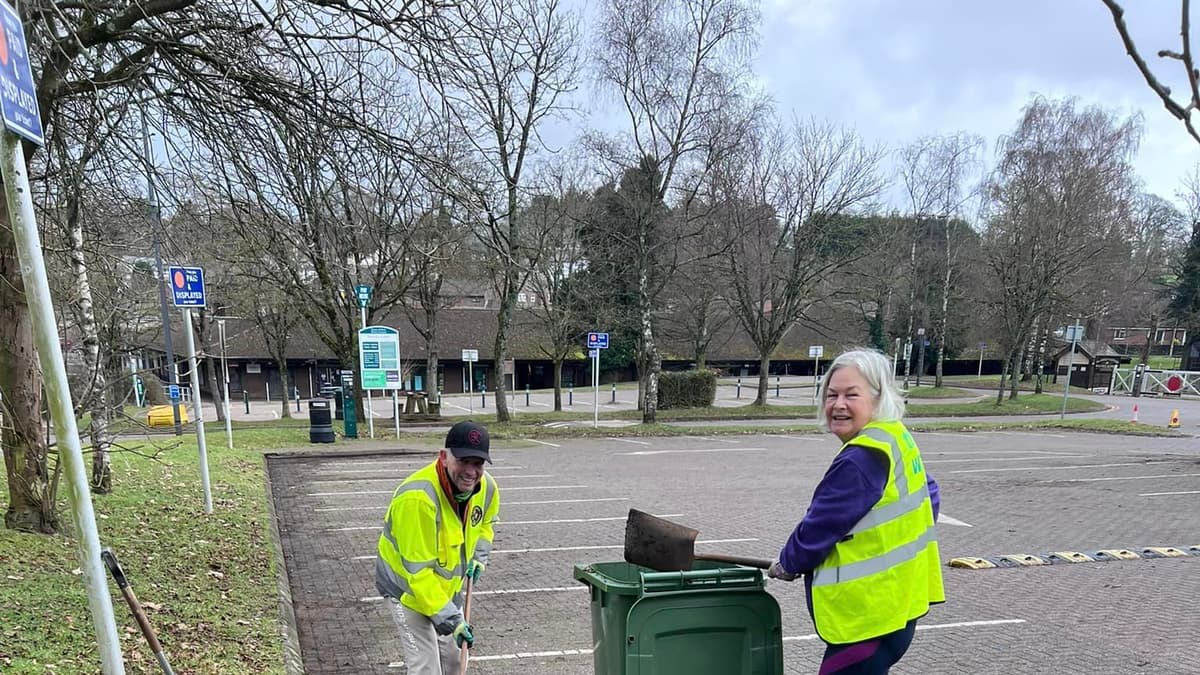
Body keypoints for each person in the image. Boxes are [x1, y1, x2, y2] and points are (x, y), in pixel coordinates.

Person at [768, 349, 944, 674]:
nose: (838, 405)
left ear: (878, 399)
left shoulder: (860, 459)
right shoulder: (894, 438)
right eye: (831, 395)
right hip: (898, 608)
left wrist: (789, 562)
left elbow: (821, 526)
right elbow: (929, 495)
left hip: (868, 620)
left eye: (852, 395)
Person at [375, 420, 500, 675]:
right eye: (463, 461)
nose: (470, 471)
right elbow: (418, 575)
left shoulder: (486, 487)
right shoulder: (418, 500)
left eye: (477, 463)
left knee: (456, 660)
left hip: (446, 589)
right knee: (427, 667)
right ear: (444, 457)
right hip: (406, 590)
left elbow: (486, 521)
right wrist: (453, 621)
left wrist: (479, 557)